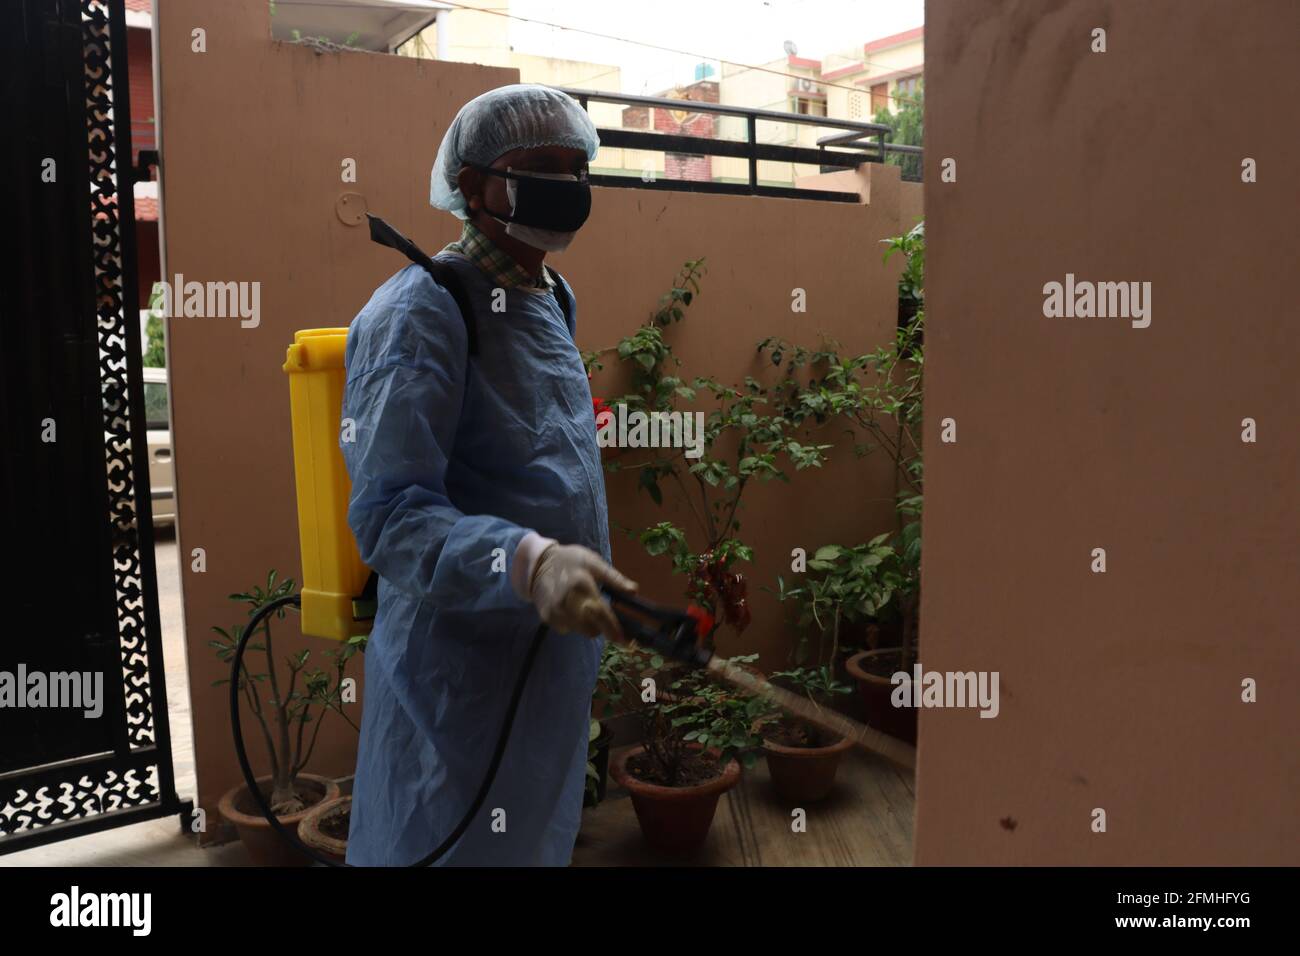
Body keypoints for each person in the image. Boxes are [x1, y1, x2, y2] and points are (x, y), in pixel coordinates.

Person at [340, 84, 638, 866]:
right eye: (540, 166)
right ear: (471, 186)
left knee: (534, 837)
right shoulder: (422, 311)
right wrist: (525, 560)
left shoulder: (550, 296)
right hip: (456, 677)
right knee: (442, 840)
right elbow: (392, 515)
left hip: (546, 661)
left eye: (578, 169)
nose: (567, 186)